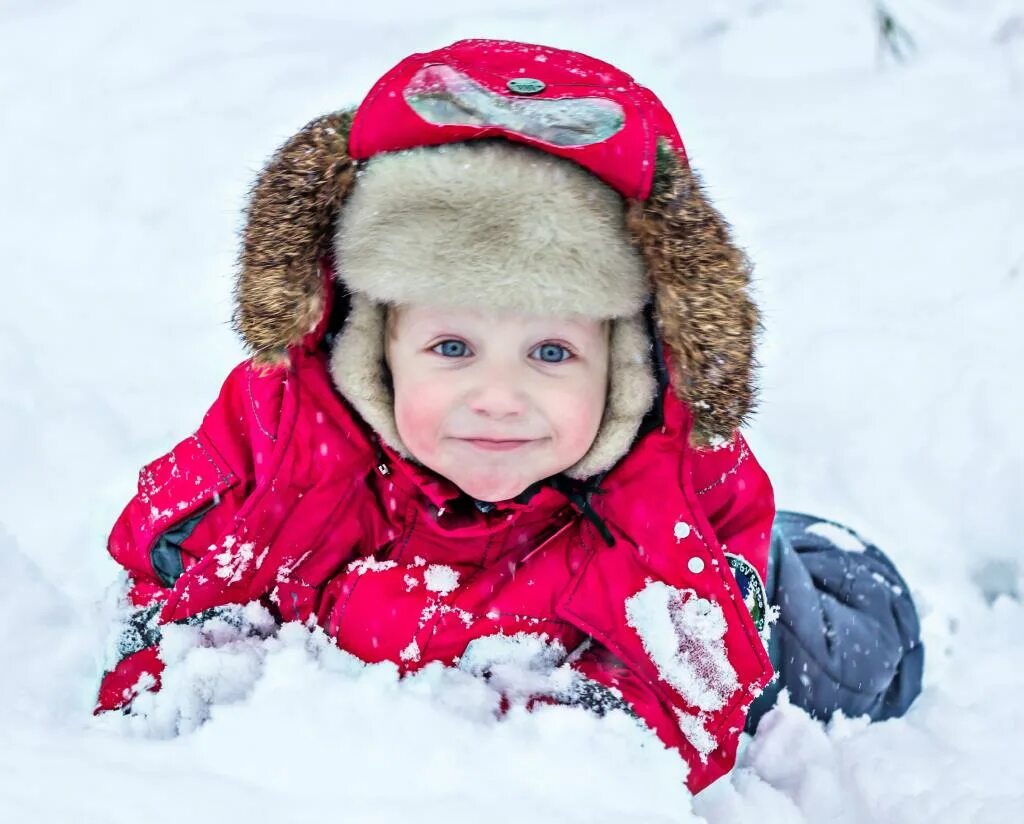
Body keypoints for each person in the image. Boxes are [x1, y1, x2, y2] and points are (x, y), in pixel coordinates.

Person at [95, 39, 923, 793]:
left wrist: (541, 751)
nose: (497, 396)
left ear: (626, 363)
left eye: (551, 352)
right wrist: (185, 679)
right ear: (376, 346)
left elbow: (680, 704)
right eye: (453, 347)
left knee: (853, 648)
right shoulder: (292, 436)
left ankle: (804, 561)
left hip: (774, 600)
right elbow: (168, 567)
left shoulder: (667, 487)